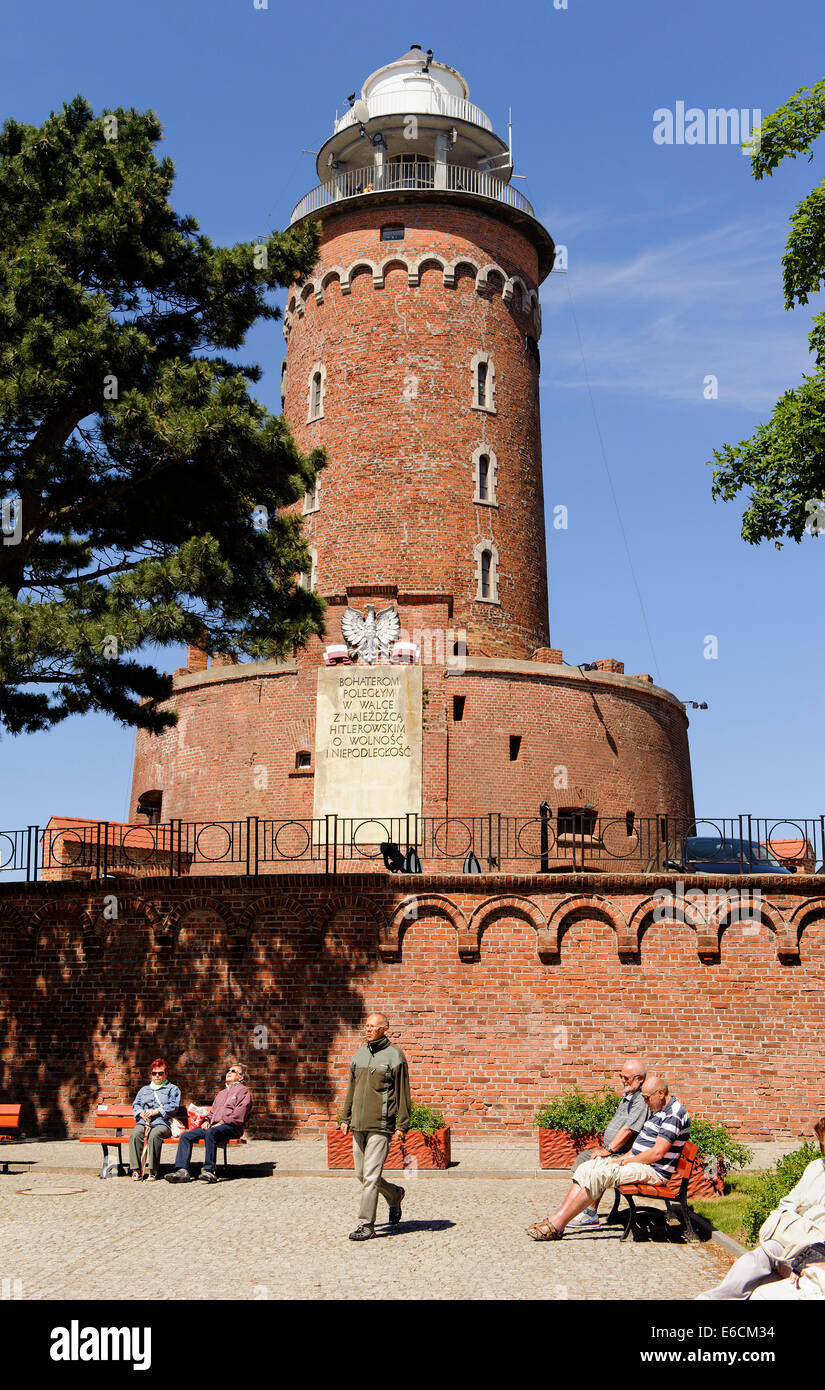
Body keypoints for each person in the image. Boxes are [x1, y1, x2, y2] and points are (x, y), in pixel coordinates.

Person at [527, 1075, 689, 1240]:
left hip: (654, 1171)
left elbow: (657, 1153)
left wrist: (623, 1161)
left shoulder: (674, 1115)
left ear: (660, 1093)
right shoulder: (660, 1110)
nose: (645, 1102)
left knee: (600, 1175)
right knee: (587, 1167)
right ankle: (559, 1216)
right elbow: (641, 1147)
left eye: (647, 1098)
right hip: (640, 1163)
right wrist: (621, 1159)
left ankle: (557, 1224)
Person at [697, 1117, 825, 1299]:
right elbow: (787, 1203)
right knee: (756, 1259)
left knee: (762, 1290)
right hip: (794, 1239)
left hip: (817, 1252)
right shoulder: (816, 1168)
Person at [339, 1012, 410, 1241]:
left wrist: (402, 1125)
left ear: (384, 1029)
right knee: (362, 1175)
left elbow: (403, 1093)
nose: (368, 1030)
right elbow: (351, 1088)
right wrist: (344, 1117)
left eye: (373, 1026)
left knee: (370, 1176)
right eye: (366, 1026)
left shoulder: (395, 1055)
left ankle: (366, 1225)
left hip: (381, 1125)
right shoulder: (360, 1054)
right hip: (358, 1124)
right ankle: (394, 1194)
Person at [569, 1056, 649, 1228]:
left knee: (593, 1163)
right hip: (615, 1150)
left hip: (623, 1154)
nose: (622, 1081)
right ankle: (580, 1209)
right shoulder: (630, 1094)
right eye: (621, 1076)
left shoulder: (640, 1100)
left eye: (626, 1078)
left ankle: (587, 1212)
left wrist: (608, 1150)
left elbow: (629, 1129)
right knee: (584, 1159)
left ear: (640, 1079)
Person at [165, 1063, 252, 1184]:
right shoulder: (221, 1093)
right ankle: (182, 1171)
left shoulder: (244, 1092)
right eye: (228, 1070)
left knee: (211, 1132)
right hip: (214, 1127)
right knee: (186, 1136)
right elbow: (212, 1113)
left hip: (231, 1127)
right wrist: (206, 1121)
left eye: (233, 1071)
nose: (229, 1073)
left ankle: (209, 1171)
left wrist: (221, 1122)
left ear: (241, 1077)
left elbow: (239, 1115)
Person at [128, 1059, 181, 1181]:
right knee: (135, 1134)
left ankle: (153, 1170)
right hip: (144, 1122)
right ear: (151, 1075)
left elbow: (174, 1106)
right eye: (154, 1073)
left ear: (166, 1074)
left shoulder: (173, 1089)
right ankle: (136, 1170)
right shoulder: (144, 1090)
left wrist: (157, 1111)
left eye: (160, 1073)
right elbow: (136, 1104)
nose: (157, 1076)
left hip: (162, 1123)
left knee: (154, 1135)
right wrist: (140, 1113)